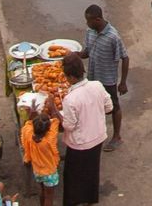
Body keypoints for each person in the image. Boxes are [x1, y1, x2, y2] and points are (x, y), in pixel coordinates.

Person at [58, 53, 112, 204]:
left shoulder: (70, 99)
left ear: (71, 77)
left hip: (80, 143)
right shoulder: (97, 85)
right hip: (98, 136)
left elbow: (69, 126)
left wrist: (55, 111)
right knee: (91, 170)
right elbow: (109, 107)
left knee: (73, 174)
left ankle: (72, 201)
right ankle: (90, 199)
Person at [82, 5, 129, 150]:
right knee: (93, 105)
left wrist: (123, 82)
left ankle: (117, 137)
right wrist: (74, 55)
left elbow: (125, 58)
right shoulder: (90, 32)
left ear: (97, 19)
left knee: (114, 106)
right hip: (92, 78)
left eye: (88, 21)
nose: (87, 24)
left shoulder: (113, 36)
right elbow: (86, 52)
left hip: (108, 79)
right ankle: (95, 132)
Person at [21, 98, 63, 206]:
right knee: (49, 197)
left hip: (37, 171)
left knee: (42, 192)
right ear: (48, 129)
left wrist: (32, 113)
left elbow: (27, 124)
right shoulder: (49, 140)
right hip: (49, 172)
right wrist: (52, 107)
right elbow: (56, 121)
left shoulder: (29, 135)